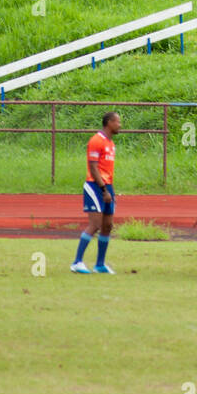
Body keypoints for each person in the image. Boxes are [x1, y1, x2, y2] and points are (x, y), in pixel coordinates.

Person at [71, 111, 120, 275]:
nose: (120, 125)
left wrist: (110, 190)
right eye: (117, 122)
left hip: (108, 186)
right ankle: (77, 262)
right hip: (95, 186)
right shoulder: (96, 141)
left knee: (107, 226)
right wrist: (104, 190)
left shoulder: (111, 143)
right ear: (109, 123)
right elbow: (93, 167)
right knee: (95, 224)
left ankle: (100, 265)